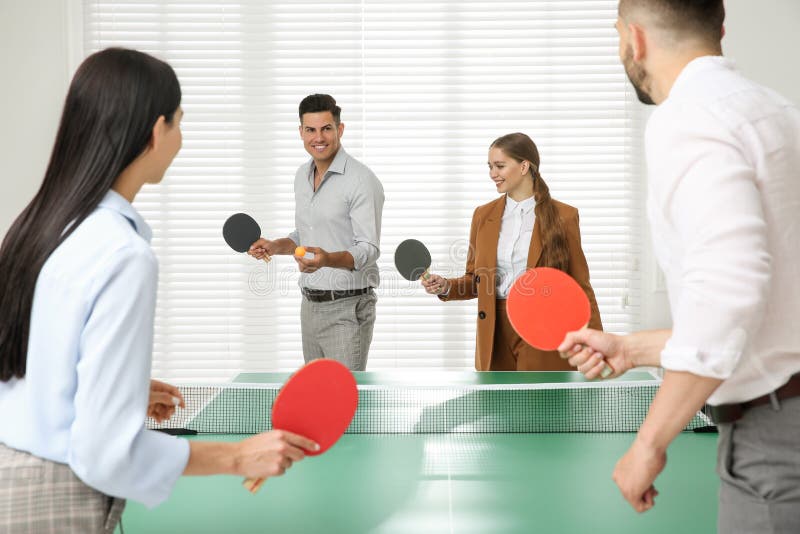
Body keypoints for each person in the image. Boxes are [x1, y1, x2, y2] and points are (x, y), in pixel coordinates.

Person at [0, 48, 317, 533]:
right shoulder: (123, 254)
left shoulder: (43, 226)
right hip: (56, 496)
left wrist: (114, 389)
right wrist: (237, 456)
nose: (180, 139)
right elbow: (106, 454)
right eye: (179, 123)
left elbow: (25, 362)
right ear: (155, 131)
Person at [558, 1, 800, 531]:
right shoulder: (777, 112)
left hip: (775, 439)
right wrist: (633, 348)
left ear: (635, 38)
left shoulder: (688, 119)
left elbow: (728, 293)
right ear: (720, 28)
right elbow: (777, 311)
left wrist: (649, 442)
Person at [421, 132, 602, 371]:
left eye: (500, 166)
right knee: (497, 396)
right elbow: (476, 280)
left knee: (538, 395)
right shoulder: (482, 215)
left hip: (543, 329)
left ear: (524, 166)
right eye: (490, 167)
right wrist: (446, 286)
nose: (492, 174)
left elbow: (580, 286)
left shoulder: (564, 216)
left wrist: (597, 344)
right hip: (494, 332)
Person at [248, 94, 384, 372]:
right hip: (309, 306)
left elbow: (368, 248)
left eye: (326, 128)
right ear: (301, 132)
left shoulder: (361, 180)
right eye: (310, 129)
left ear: (340, 129)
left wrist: (327, 259)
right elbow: (305, 234)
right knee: (317, 394)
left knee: (343, 395)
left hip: (347, 308)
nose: (318, 138)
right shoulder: (302, 176)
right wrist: (274, 246)